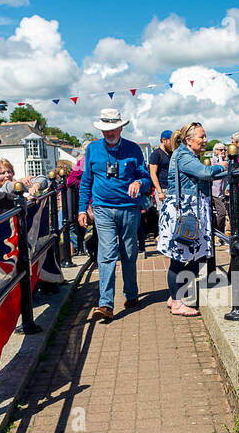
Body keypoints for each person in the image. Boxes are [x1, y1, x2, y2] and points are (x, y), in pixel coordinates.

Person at [76, 108, 151, 322]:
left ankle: (131, 293)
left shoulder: (133, 149)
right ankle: (105, 303)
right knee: (107, 254)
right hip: (102, 208)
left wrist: (138, 182)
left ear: (120, 128)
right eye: (105, 130)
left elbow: (145, 177)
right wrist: (82, 208)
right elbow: (86, 181)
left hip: (129, 208)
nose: (108, 133)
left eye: (112, 129)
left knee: (129, 252)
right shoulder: (92, 149)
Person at [157, 122, 224, 317]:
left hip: (190, 211)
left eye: (205, 136)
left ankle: (174, 296)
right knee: (178, 259)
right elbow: (205, 173)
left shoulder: (187, 155)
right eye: (201, 137)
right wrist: (222, 166)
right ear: (188, 140)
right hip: (184, 212)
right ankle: (177, 303)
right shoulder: (183, 155)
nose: (205, 140)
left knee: (200, 256)